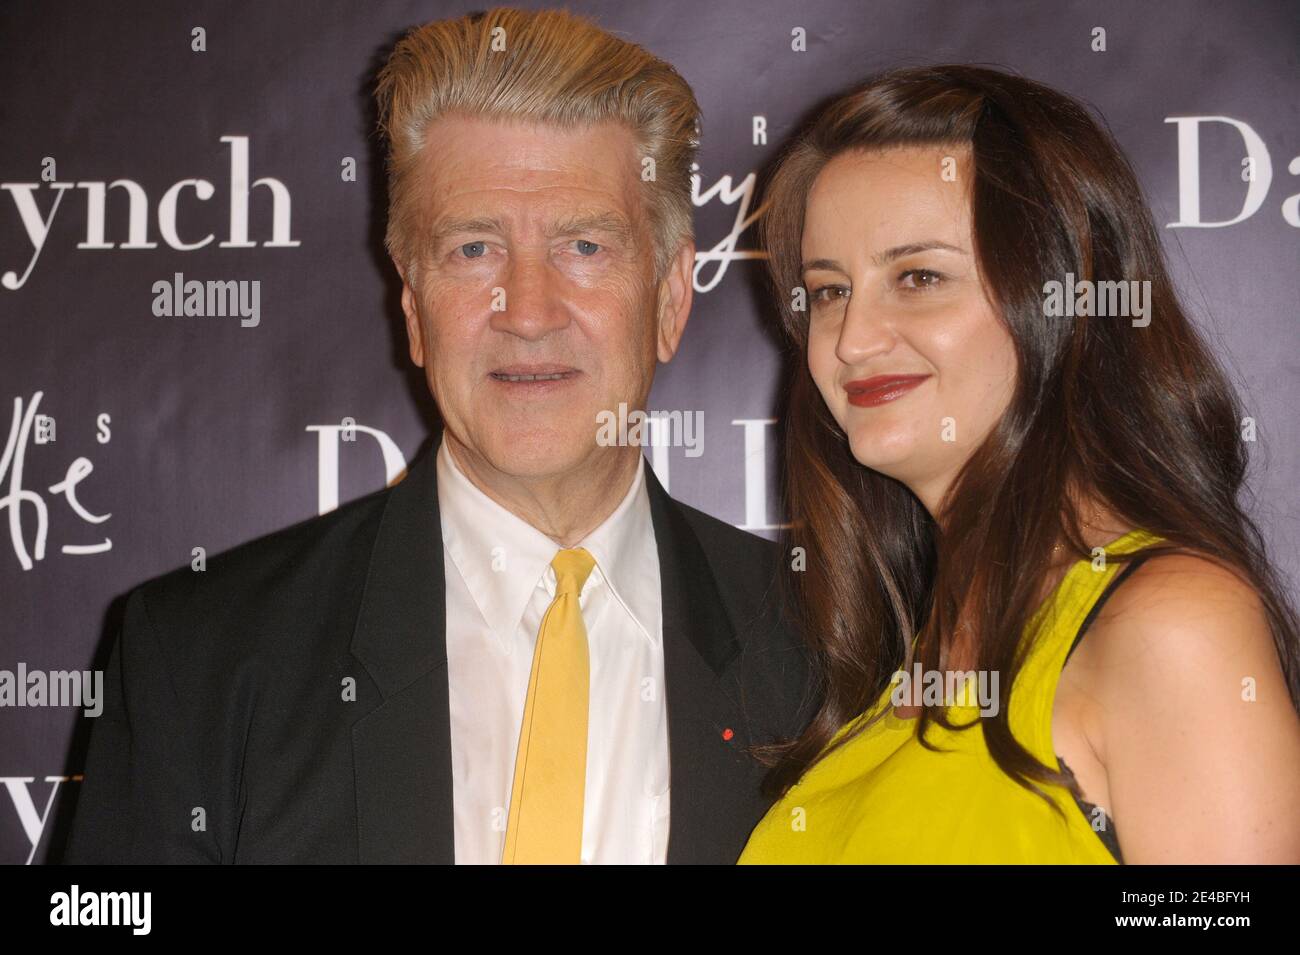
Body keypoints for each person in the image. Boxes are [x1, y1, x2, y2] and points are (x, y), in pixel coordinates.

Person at [64, 7, 813, 865]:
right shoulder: (198, 660)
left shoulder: (833, 659)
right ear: (414, 310)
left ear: (672, 300)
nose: (526, 312)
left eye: (584, 245)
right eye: (472, 249)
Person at [739, 64, 1300, 863]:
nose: (852, 338)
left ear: (1065, 298)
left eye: (919, 277)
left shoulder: (1171, 627)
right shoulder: (907, 661)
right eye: (828, 291)